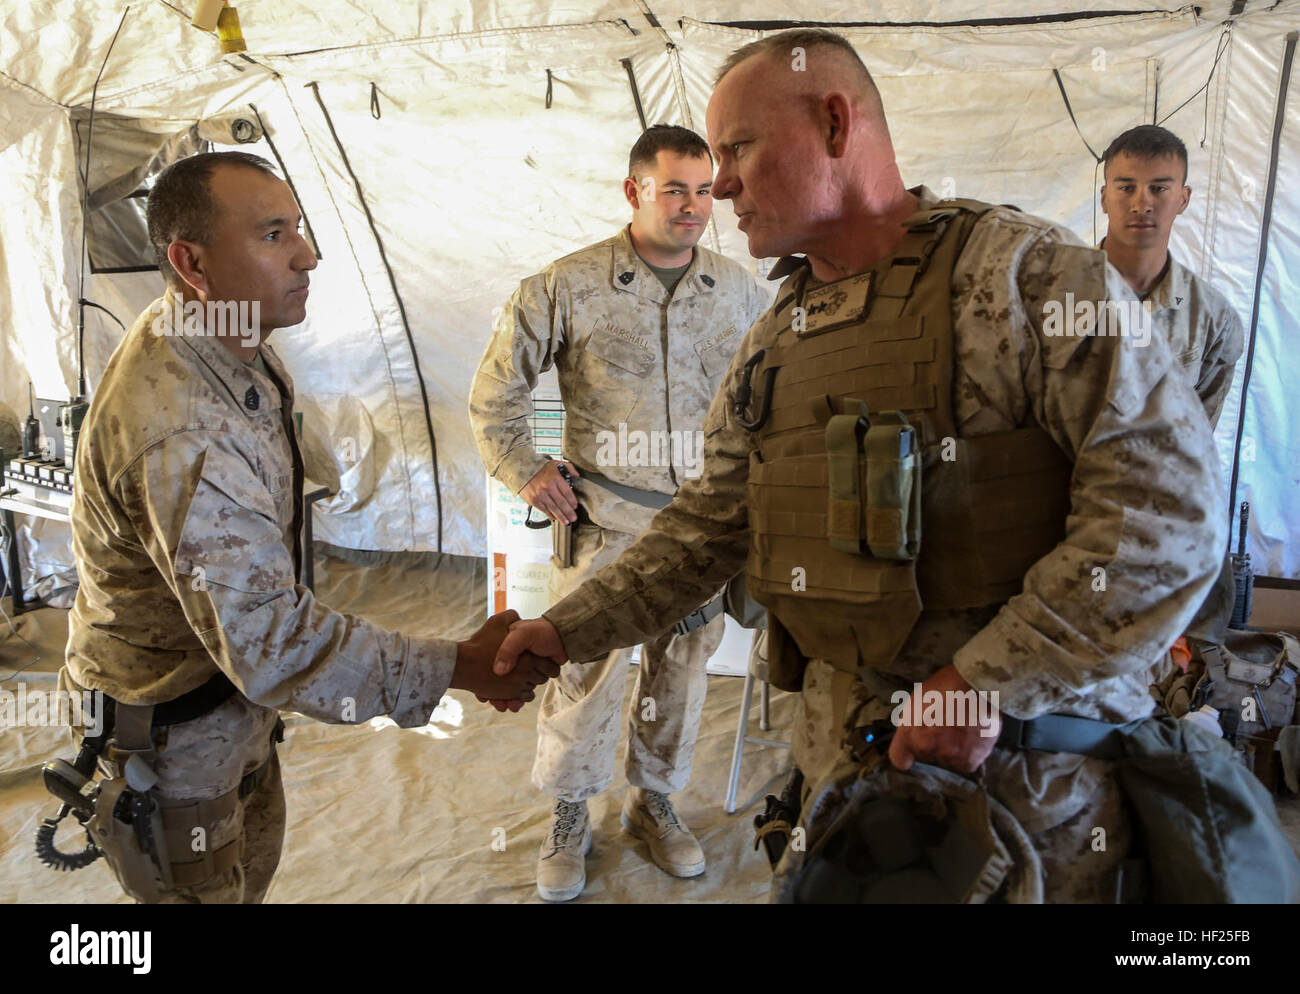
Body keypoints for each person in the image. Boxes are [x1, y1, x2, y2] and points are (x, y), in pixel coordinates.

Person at [494, 29, 1227, 902]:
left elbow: (1163, 520)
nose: (721, 183)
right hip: (850, 789)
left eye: (737, 150)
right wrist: (569, 627)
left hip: (1032, 805)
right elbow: (704, 529)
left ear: (836, 123)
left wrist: (977, 686)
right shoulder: (776, 336)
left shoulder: (1029, 279)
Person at [60, 151, 557, 904]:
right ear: (190, 262)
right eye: (272, 234)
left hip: (232, 706)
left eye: (298, 226)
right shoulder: (182, 428)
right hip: (172, 739)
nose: (308, 254)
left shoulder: (232, 345)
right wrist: (461, 664)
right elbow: (273, 642)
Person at [469, 125, 766, 902]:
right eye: (674, 189)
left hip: (699, 528)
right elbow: (495, 392)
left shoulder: (738, 292)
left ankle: (653, 800)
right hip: (606, 522)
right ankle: (572, 813)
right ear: (633, 191)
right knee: (584, 670)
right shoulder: (566, 285)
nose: (694, 207)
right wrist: (524, 468)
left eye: (704, 190)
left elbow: (771, 400)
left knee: (683, 675)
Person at [1099, 124, 1244, 428]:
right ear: (1104, 198)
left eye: (1159, 188)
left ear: (1183, 199)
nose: (1141, 205)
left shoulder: (1214, 319)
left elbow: (1197, 438)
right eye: (1126, 188)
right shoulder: (1052, 293)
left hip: (1157, 475)